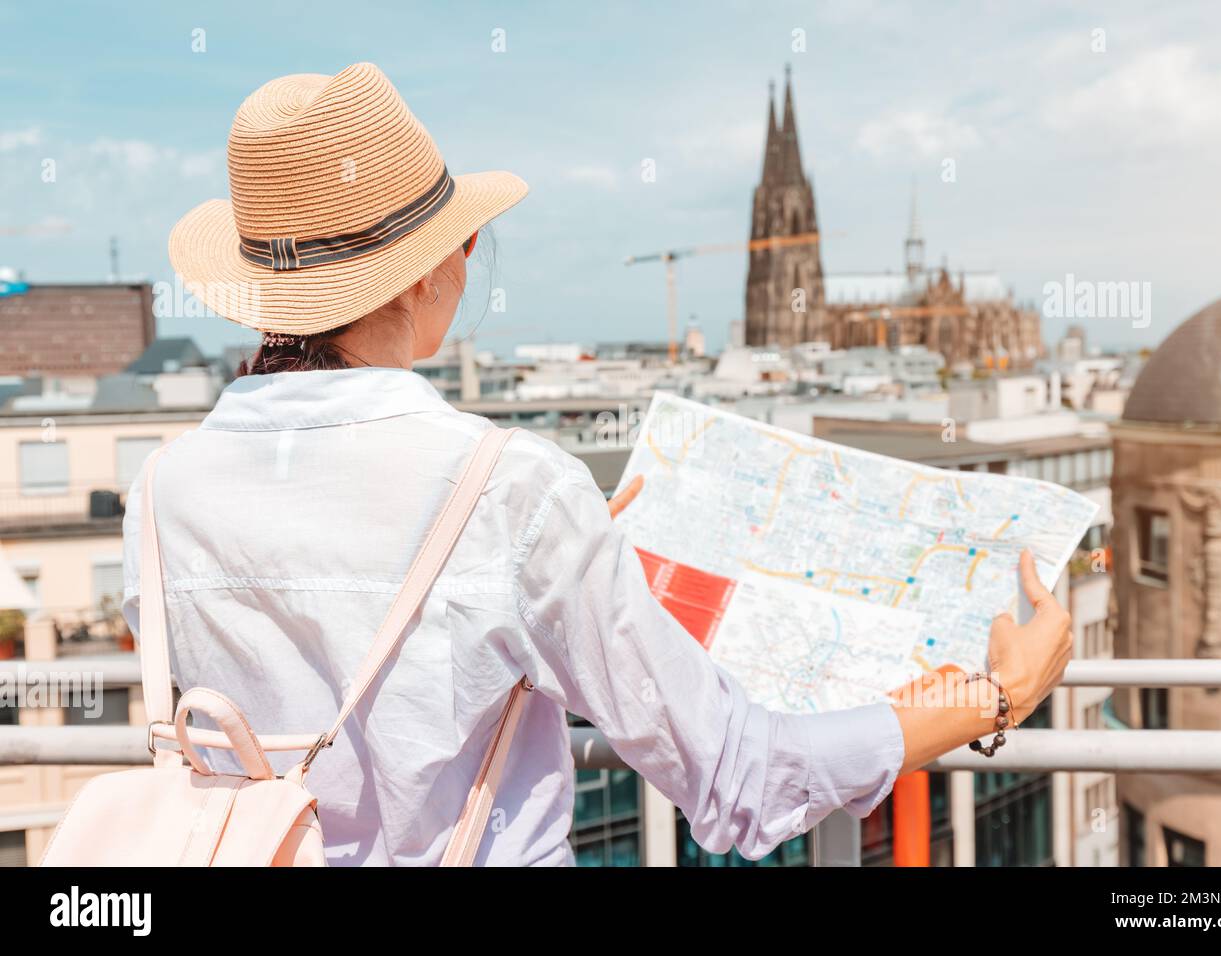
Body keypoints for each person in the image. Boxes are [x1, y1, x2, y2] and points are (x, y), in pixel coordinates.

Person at [124, 62, 1072, 866]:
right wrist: (995, 694)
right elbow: (741, 777)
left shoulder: (159, 493)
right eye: (458, 236)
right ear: (420, 273)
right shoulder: (507, 492)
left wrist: (553, 576)